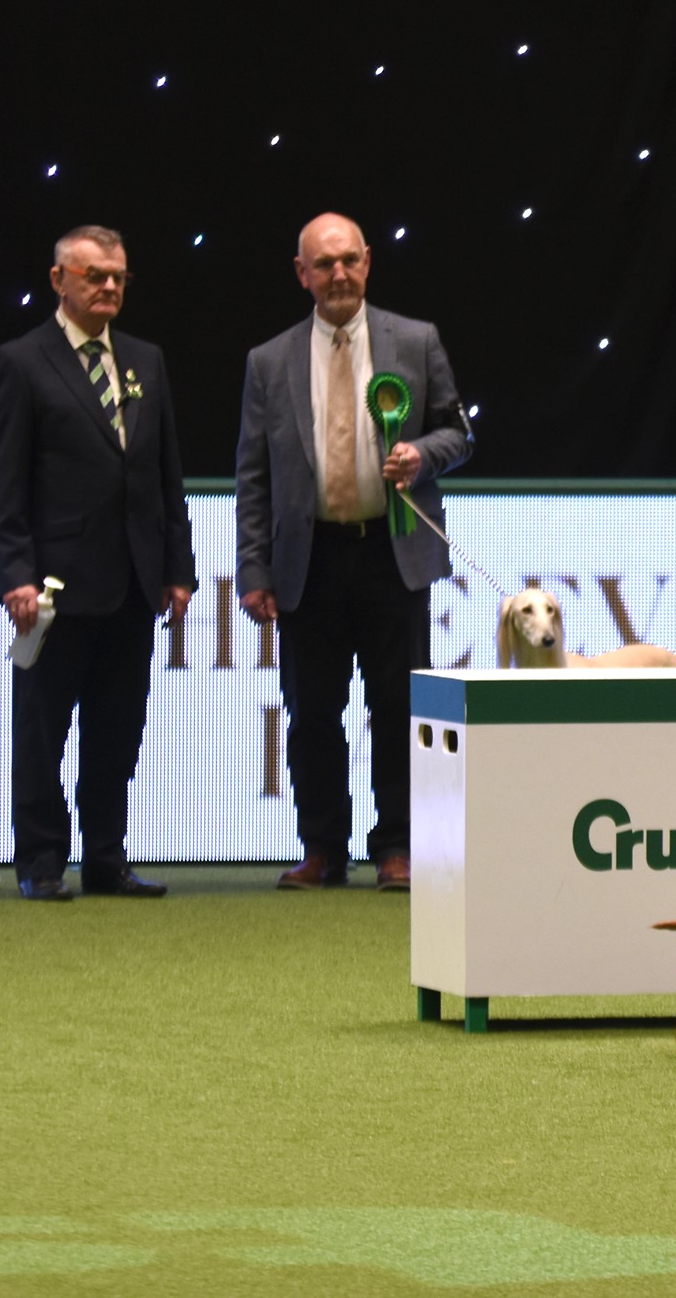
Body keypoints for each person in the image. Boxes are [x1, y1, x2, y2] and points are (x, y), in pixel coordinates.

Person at [235, 213, 473, 892]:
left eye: (348, 260)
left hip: (392, 556)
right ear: (301, 272)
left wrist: (420, 455)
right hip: (307, 559)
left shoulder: (417, 341)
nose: (338, 274)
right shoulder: (268, 360)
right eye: (323, 263)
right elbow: (252, 476)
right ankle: (322, 849)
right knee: (311, 714)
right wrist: (253, 569)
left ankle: (397, 848)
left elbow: (458, 432)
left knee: (399, 708)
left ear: (367, 262)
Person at [0, 225, 195, 900]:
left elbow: (167, 475)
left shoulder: (145, 360)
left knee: (116, 730)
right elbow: (5, 484)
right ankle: (41, 860)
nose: (108, 287)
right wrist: (13, 573)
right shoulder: (18, 363)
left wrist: (177, 567)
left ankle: (106, 857)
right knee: (41, 729)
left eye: (118, 277)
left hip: (133, 582)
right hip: (49, 587)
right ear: (58, 280)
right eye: (94, 275)